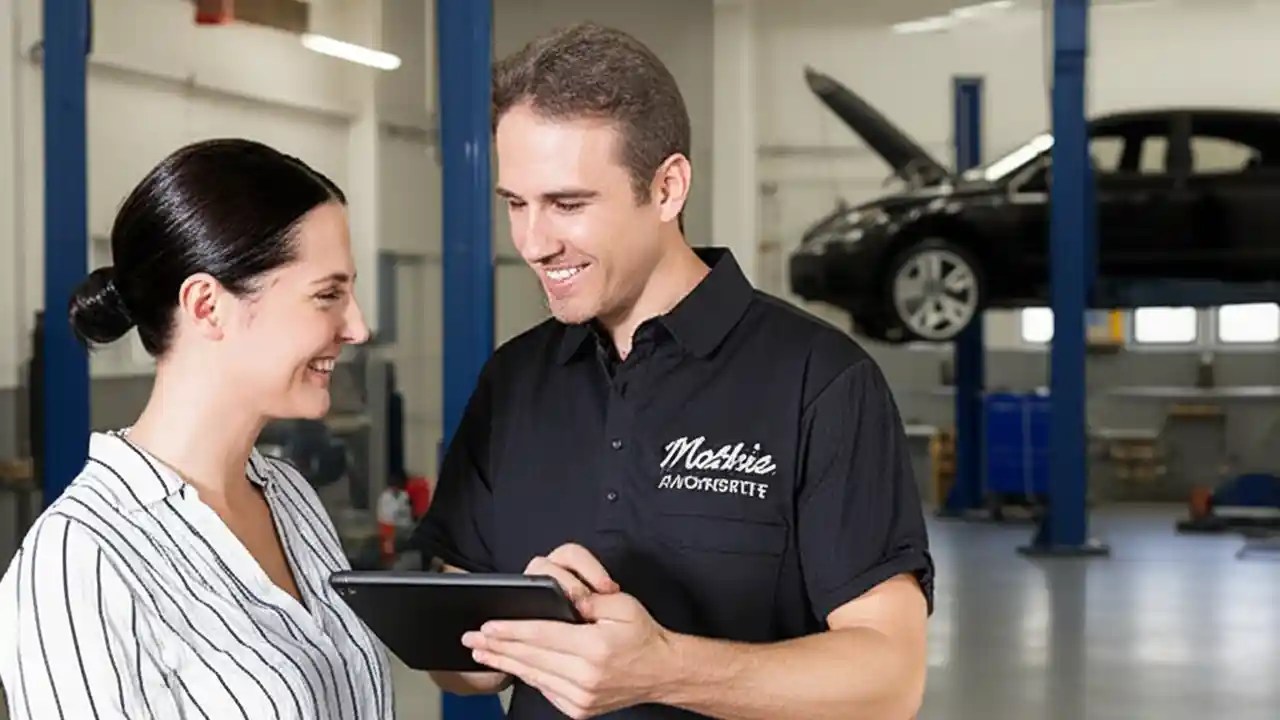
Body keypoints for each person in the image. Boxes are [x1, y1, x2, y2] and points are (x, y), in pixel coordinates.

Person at [414, 22, 934, 720]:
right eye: (515, 203)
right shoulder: (511, 382)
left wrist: (663, 670)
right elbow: (458, 673)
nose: (533, 242)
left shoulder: (820, 381)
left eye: (567, 204)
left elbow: (890, 680)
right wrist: (518, 621)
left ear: (667, 188)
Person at [0, 139, 395, 719]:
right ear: (208, 306)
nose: (357, 327)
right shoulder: (80, 560)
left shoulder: (291, 498)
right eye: (327, 295)